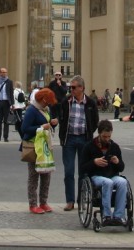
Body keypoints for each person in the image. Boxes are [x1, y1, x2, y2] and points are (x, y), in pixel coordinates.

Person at [57, 74, 99, 211]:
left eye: (74, 87)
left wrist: (89, 133)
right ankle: (70, 201)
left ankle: (81, 199)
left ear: (82, 88)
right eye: (70, 87)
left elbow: (95, 121)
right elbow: (61, 117)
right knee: (69, 171)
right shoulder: (66, 102)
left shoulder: (91, 103)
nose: (71, 90)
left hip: (84, 140)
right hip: (69, 139)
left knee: (84, 171)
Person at [81, 119, 128, 226]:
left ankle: (118, 216)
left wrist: (117, 162)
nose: (107, 139)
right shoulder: (89, 146)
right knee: (108, 183)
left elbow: (121, 168)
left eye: (109, 137)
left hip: (112, 175)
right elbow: (82, 167)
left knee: (123, 182)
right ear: (99, 134)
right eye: (104, 137)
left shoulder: (114, 146)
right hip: (96, 176)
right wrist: (94, 162)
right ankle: (106, 215)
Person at [21, 87, 58, 214]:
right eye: (48, 101)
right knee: (33, 176)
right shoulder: (32, 110)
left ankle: (43, 202)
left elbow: (48, 124)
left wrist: (53, 123)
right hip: (33, 146)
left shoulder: (46, 109)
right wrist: (41, 127)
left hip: (45, 145)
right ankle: (33, 204)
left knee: (46, 175)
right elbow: (25, 128)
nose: (49, 104)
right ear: (42, 99)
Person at [0, 67, 15, 142]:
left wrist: (12, 103)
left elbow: (11, 93)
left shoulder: (9, 82)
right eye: (3, 72)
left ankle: (5, 137)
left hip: (6, 102)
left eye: (5, 72)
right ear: (0, 73)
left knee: (6, 121)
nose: (4, 73)